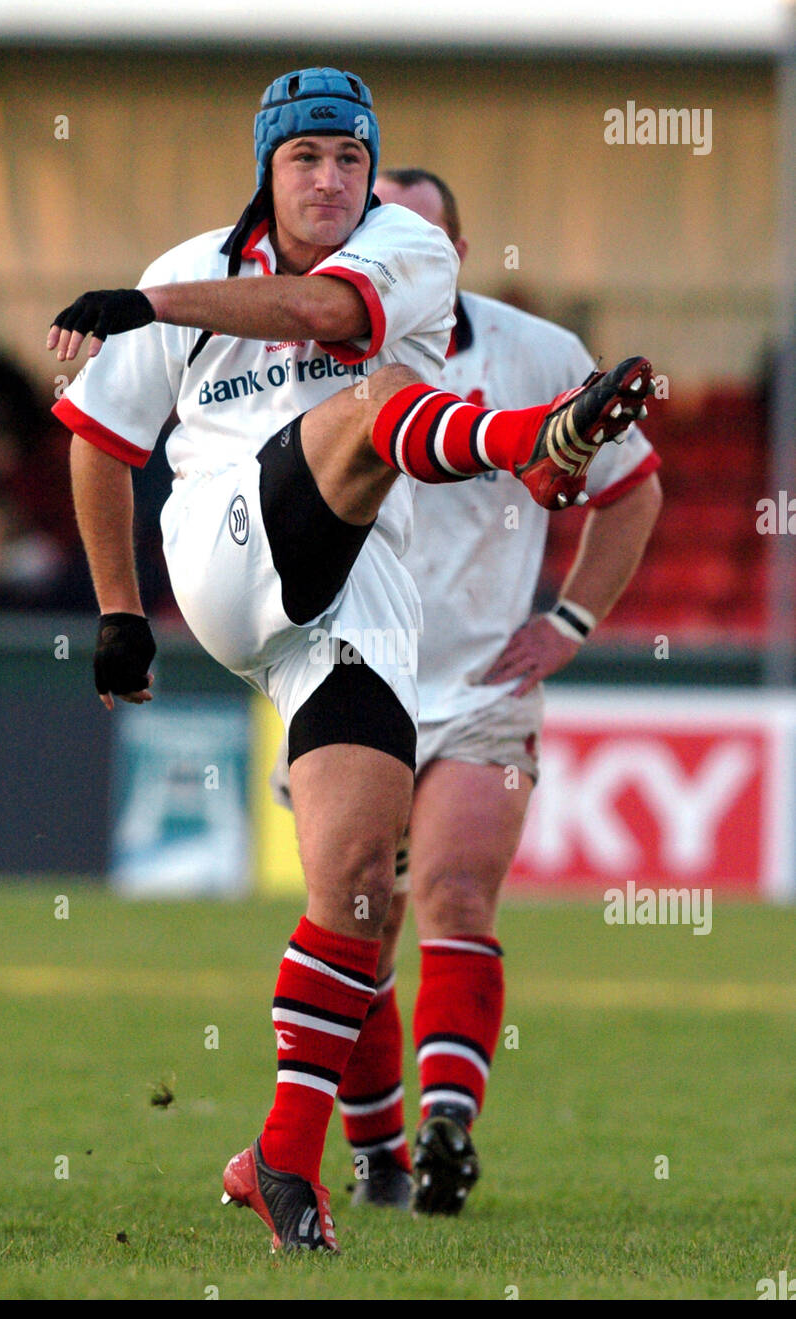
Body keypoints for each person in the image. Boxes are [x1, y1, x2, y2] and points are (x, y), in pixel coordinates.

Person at [47, 71, 655, 1252]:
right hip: (226, 546)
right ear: (265, 170)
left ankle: (282, 1157)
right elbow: (98, 439)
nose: (330, 179)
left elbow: (322, 315)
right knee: (375, 399)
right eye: (304, 158)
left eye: (346, 158)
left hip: (356, 611)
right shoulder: (190, 269)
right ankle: (538, 438)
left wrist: (146, 298)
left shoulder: (402, 250)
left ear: (373, 172)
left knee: (359, 890)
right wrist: (119, 610)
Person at [278, 167, 662, 1215]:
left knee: (449, 889)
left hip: (481, 685)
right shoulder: (302, 354)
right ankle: (377, 1152)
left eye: (427, 236)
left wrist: (567, 621)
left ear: (454, 250)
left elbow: (631, 488)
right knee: (359, 914)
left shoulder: (536, 354)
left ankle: (446, 1123)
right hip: (348, 675)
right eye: (384, 231)